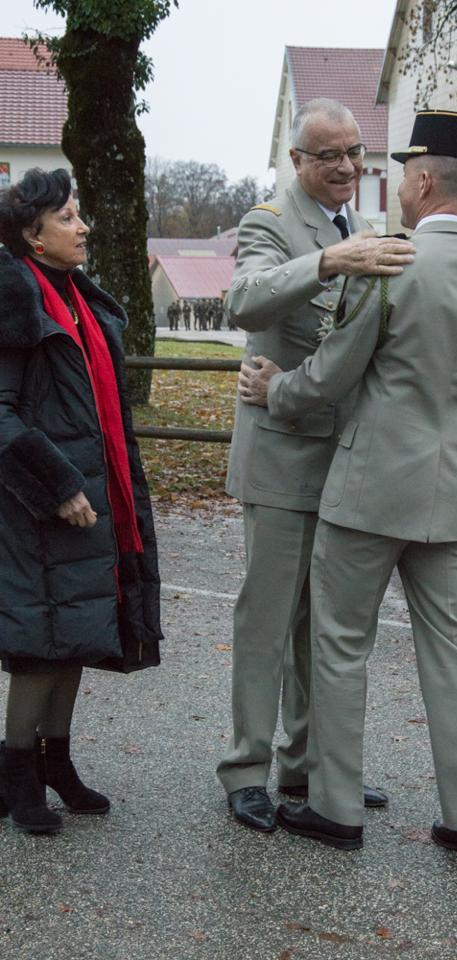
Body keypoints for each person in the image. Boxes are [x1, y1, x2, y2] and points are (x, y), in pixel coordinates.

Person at [237, 110, 457, 868]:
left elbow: (337, 368)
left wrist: (278, 393)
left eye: (400, 171)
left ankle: (334, 806)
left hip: (366, 491)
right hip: (456, 499)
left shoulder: (392, 263)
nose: (391, 183)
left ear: (424, 180)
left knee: (338, 645)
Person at [218, 97, 416, 832]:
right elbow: (243, 297)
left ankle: (306, 767)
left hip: (341, 457)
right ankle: (245, 768)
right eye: (326, 154)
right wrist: (333, 259)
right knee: (267, 621)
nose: (344, 166)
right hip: (279, 458)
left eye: (353, 151)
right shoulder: (271, 222)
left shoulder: (361, 228)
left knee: (320, 625)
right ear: (298, 161)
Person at [0, 168, 162, 834]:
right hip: (41, 507)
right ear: (33, 237)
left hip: (93, 497)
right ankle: (15, 772)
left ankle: (55, 762)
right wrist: (58, 484)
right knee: (42, 644)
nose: (83, 226)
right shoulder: (15, 299)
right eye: (67, 217)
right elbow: (2, 413)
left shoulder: (72, 298)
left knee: (76, 636)